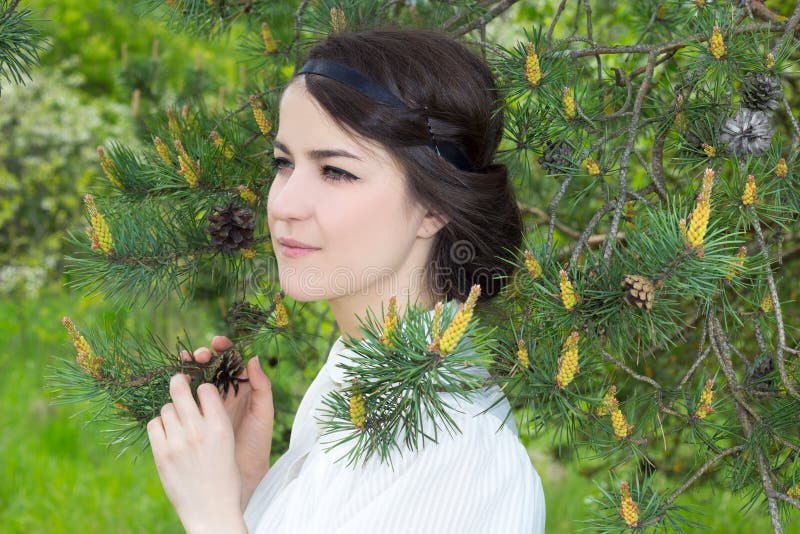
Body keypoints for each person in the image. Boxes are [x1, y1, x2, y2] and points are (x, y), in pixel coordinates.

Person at [146, 27, 546, 533]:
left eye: (336, 171)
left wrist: (212, 518)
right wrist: (249, 490)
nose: (284, 205)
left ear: (435, 205)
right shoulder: (350, 385)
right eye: (283, 163)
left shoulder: (463, 457)